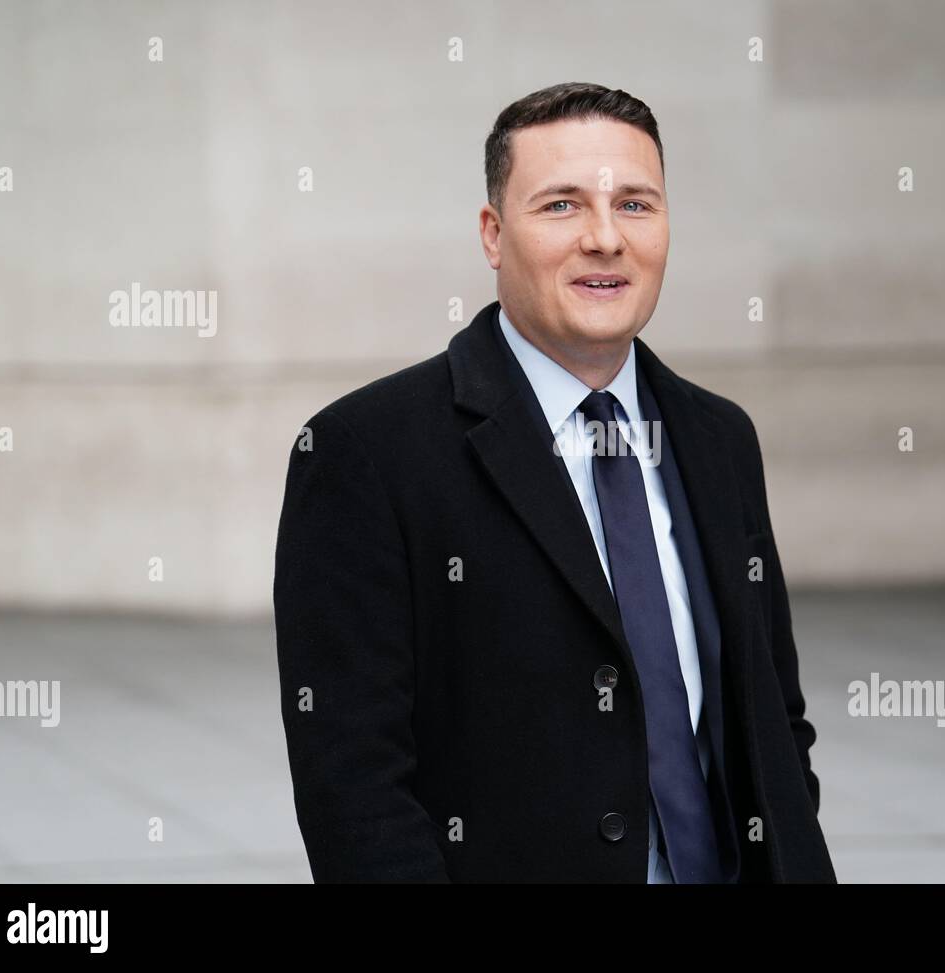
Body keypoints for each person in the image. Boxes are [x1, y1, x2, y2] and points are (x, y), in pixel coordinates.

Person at [274, 82, 836, 883]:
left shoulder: (720, 440)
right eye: (562, 206)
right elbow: (352, 784)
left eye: (636, 205)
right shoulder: (365, 453)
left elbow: (776, 722)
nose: (605, 238)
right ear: (493, 235)